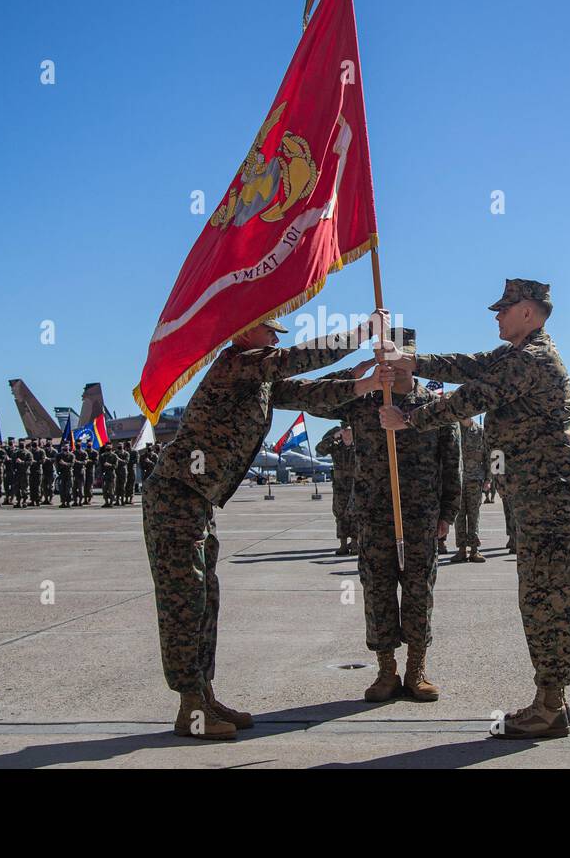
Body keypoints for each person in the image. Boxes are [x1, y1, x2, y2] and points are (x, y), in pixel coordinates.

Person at [143, 313, 387, 740]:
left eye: (277, 335)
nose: (275, 339)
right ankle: (190, 707)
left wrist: (361, 383)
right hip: (176, 495)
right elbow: (293, 361)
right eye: (269, 331)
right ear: (243, 330)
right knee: (184, 601)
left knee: (204, 598)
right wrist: (360, 334)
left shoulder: (258, 377)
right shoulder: (235, 363)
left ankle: (204, 696)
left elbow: (307, 391)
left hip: (197, 500)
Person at [379, 279, 570, 741]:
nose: (496, 317)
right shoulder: (514, 354)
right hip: (539, 493)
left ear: (528, 313)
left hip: (550, 496)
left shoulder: (531, 360)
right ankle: (550, 700)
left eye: (504, 310)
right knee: (537, 596)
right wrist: (413, 361)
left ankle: (551, 705)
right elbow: (469, 365)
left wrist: (409, 419)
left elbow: (471, 398)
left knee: (544, 599)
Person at [306, 329, 458, 702]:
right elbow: (314, 401)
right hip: (374, 514)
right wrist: (358, 374)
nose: (392, 364)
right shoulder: (363, 402)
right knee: (378, 591)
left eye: (398, 356)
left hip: (421, 516)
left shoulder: (435, 406)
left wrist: (448, 513)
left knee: (419, 591)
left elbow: (450, 465)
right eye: (384, 356)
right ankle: (386, 670)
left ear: (412, 358)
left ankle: (416, 669)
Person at [315, 424, 358, 556]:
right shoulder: (335, 445)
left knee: (356, 513)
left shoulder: (358, 445)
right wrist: (333, 437)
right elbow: (320, 450)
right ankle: (343, 545)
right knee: (340, 514)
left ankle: (355, 543)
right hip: (340, 485)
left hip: (356, 483)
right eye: (344, 430)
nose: (347, 433)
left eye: (349, 430)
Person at [452, 417, 489, 563]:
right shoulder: (455, 430)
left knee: (474, 515)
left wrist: (488, 479)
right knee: (459, 516)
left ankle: (474, 550)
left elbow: (488, 456)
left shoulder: (480, 431)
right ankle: (462, 550)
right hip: (458, 481)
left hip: (475, 480)